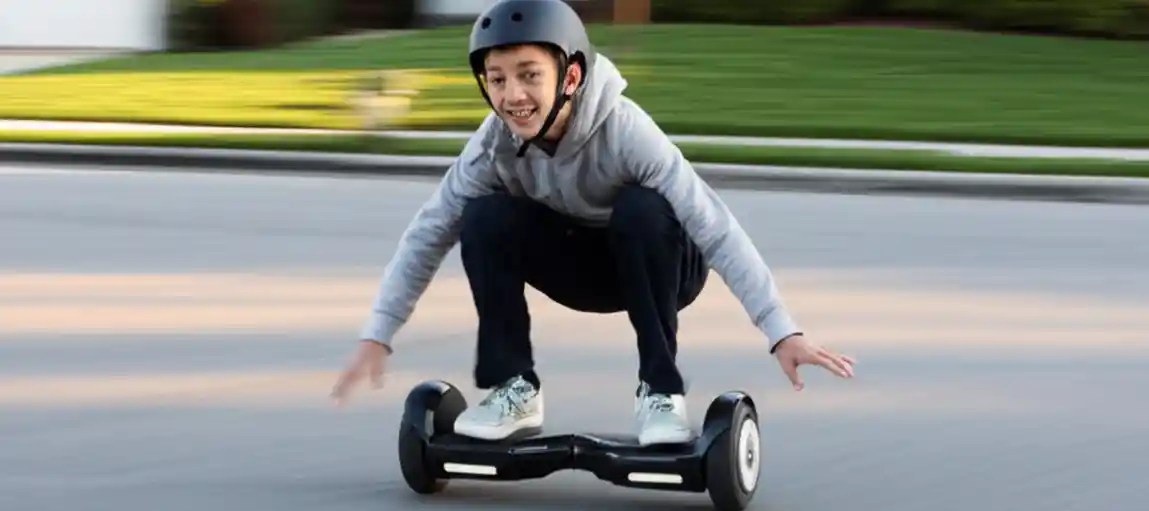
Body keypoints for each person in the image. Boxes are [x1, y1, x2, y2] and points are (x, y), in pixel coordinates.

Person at [331, 0, 854, 444]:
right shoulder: (492, 147)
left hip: (666, 264)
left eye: (529, 75)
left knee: (641, 207)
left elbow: (714, 227)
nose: (512, 96)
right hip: (581, 267)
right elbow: (428, 232)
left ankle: (661, 392)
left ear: (572, 76)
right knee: (484, 216)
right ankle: (513, 389)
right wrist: (379, 333)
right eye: (497, 79)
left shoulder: (625, 130)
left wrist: (782, 331)